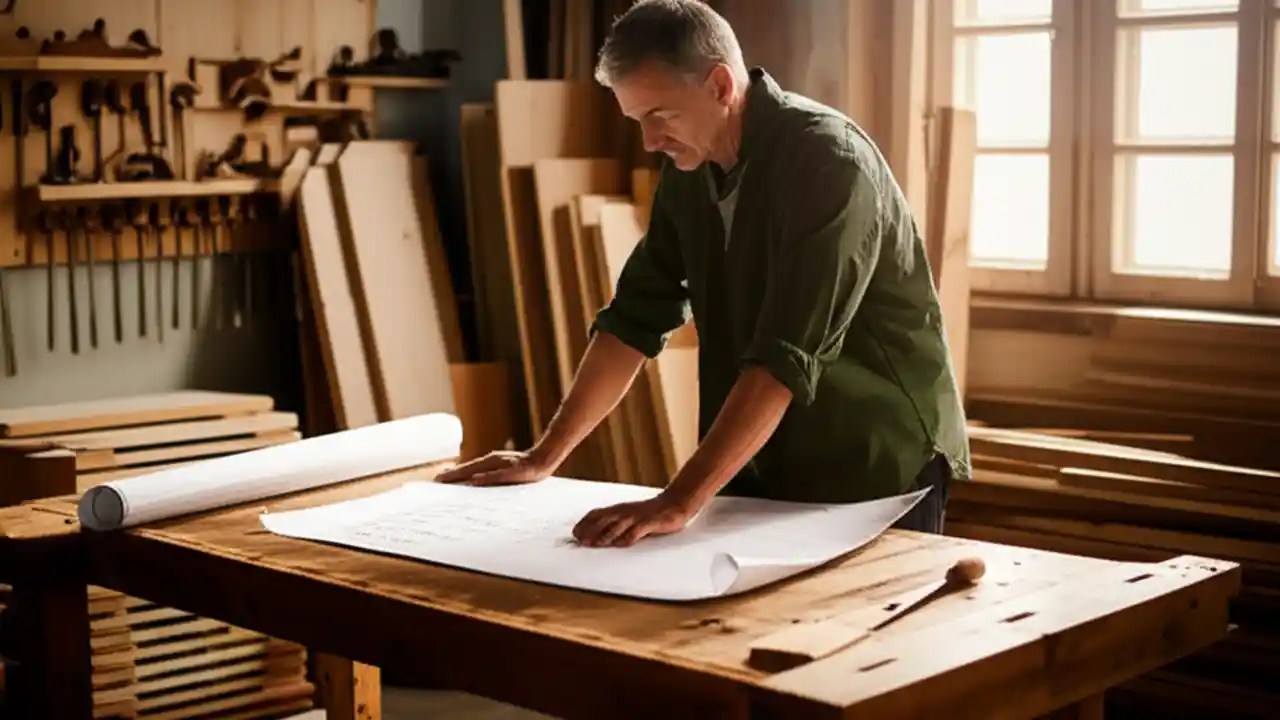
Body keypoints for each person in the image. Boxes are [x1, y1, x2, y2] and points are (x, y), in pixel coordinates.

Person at [439, 0, 969, 547]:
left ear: (719, 85)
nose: (649, 143)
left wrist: (678, 500)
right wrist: (543, 456)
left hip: (877, 458)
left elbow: (786, 356)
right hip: (769, 457)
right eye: (636, 120)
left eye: (659, 116)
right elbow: (633, 320)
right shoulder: (690, 172)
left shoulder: (830, 163)